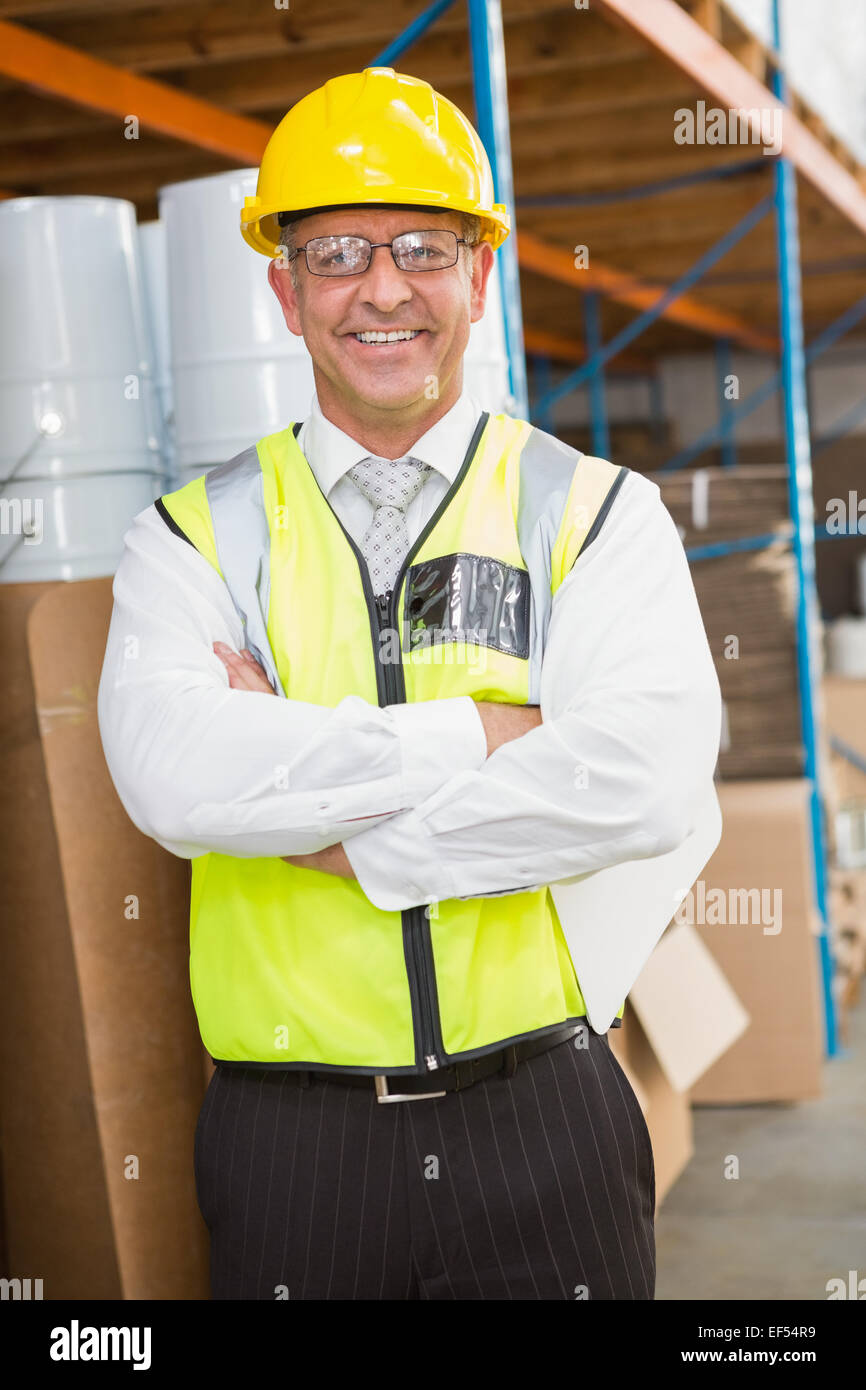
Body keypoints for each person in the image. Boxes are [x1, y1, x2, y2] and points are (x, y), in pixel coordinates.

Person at [98, 67, 722, 1300]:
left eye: (422, 247)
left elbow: (640, 784)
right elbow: (174, 778)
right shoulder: (189, 538)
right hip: (293, 1143)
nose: (382, 287)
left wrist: (323, 819)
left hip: (543, 1114)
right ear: (284, 288)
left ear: (478, 276)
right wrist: (488, 735)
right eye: (336, 250)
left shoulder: (593, 515)